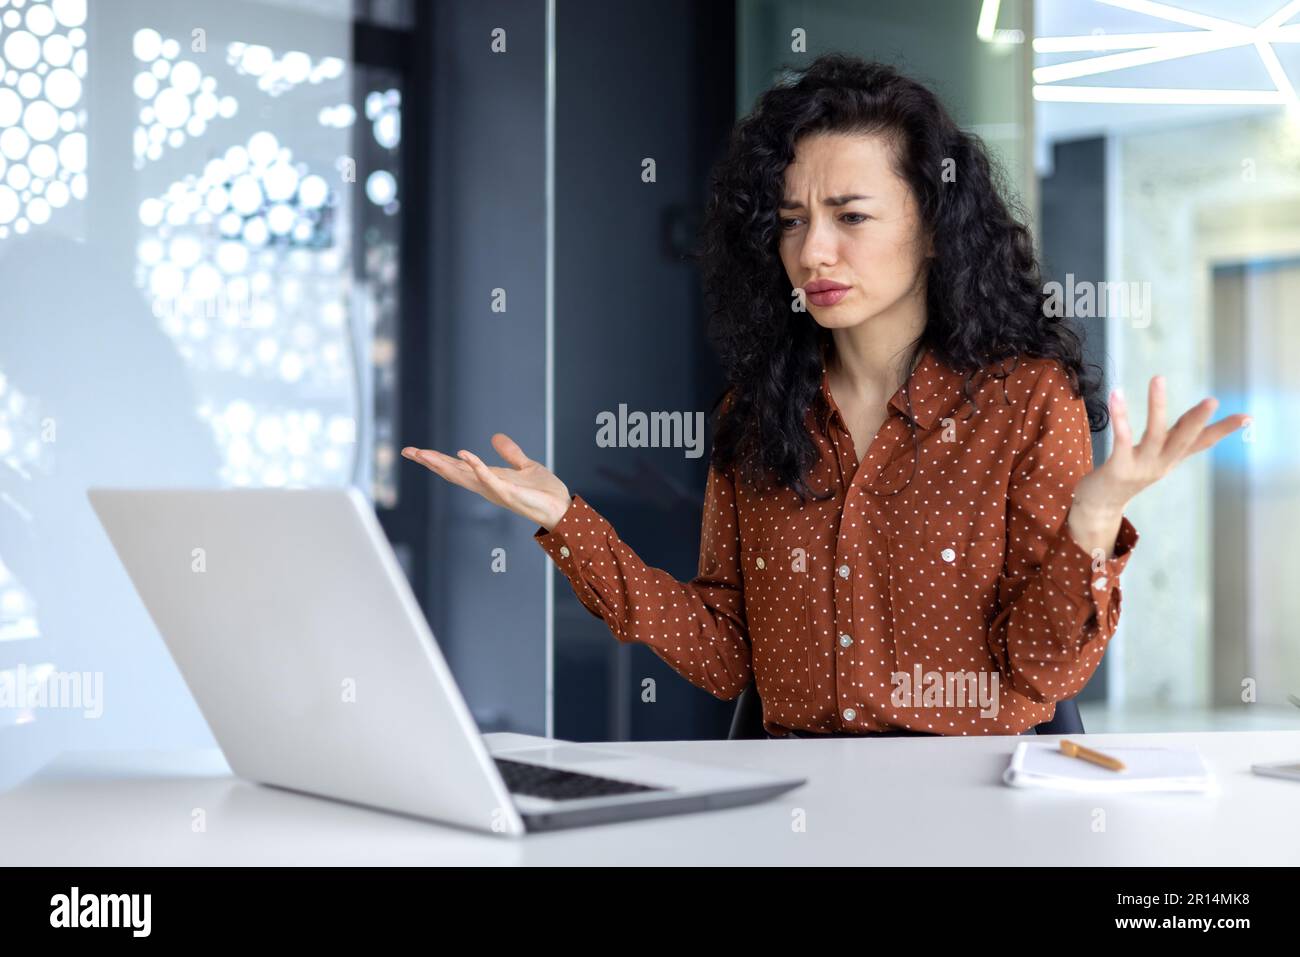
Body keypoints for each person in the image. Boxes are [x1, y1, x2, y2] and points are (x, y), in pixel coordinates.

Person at [401, 54, 1249, 739]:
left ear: (931, 222)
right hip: (798, 803)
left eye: (851, 216)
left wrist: (1093, 519)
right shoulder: (758, 410)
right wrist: (566, 520)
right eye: (793, 220)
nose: (815, 252)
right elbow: (729, 653)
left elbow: (1041, 671)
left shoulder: (1026, 402)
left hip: (977, 807)